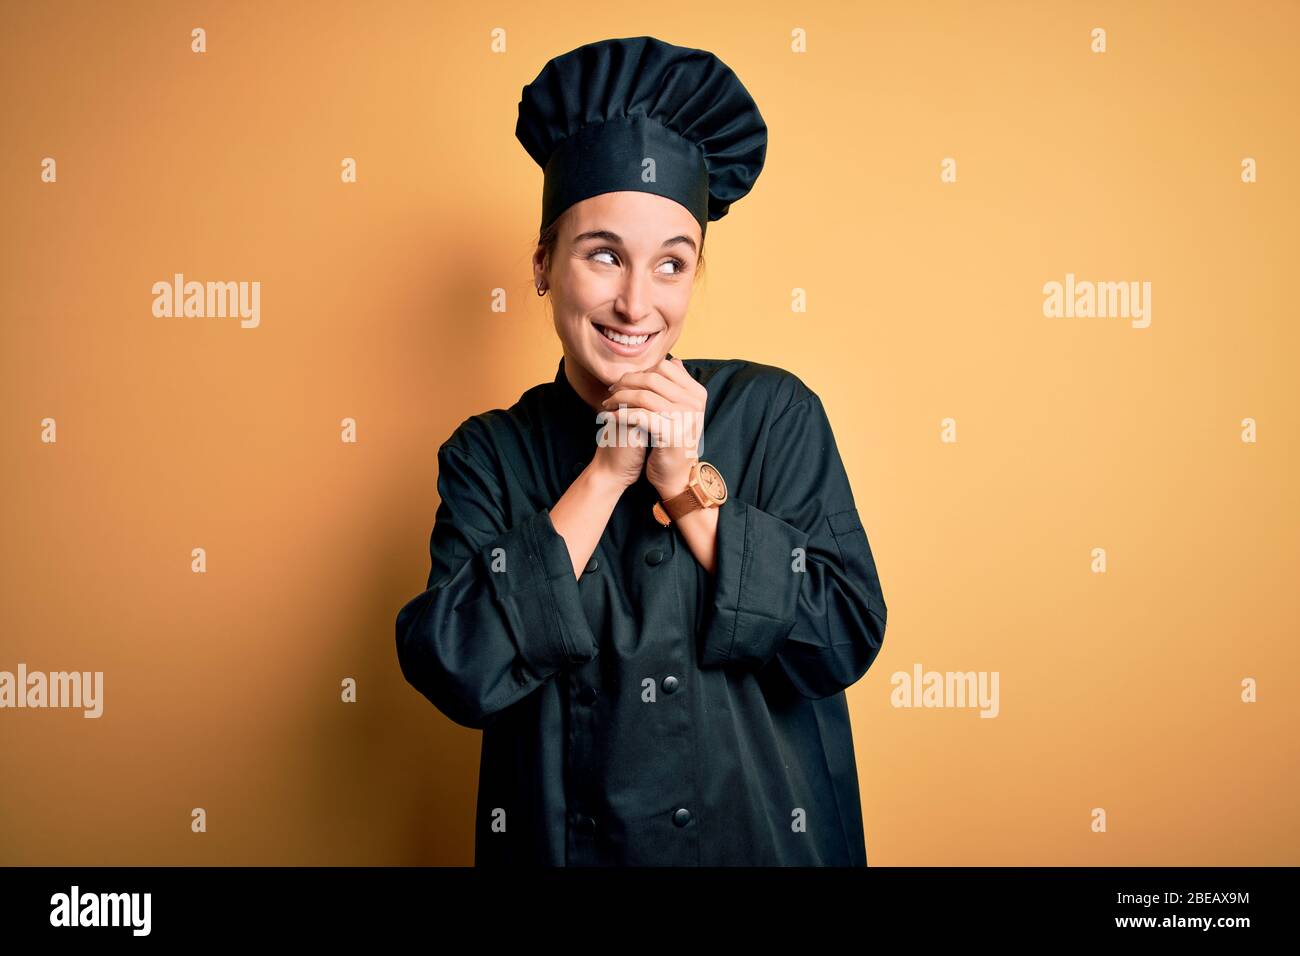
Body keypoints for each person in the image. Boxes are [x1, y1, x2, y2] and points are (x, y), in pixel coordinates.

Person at [395, 35, 888, 866]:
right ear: (545, 261)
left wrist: (682, 484)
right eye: (603, 255)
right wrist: (607, 472)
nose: (635, 303)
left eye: (671, 264)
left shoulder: (773, 412)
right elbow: (456, 668)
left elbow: (841, 636)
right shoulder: (489, 453)